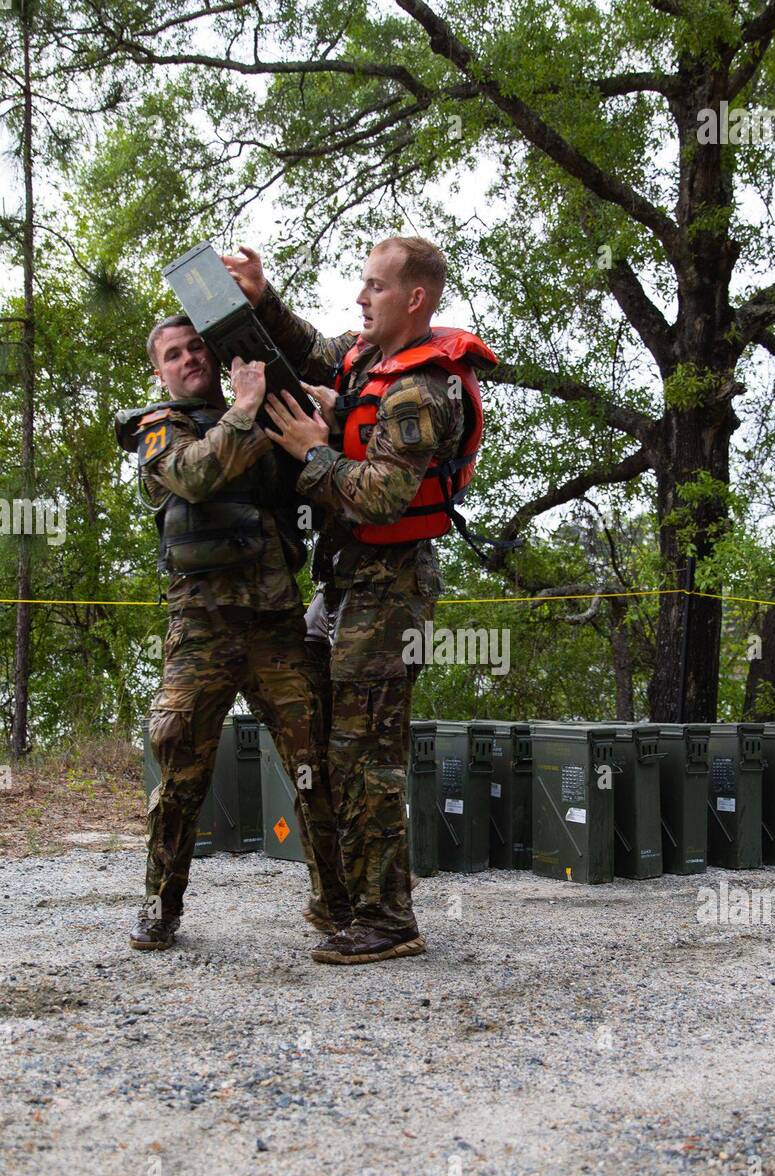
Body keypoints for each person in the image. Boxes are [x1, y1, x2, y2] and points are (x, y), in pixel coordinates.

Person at [222, 236, 497, 965]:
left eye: (375, 287)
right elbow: (313, 347)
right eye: (362, 283)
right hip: (342, 584)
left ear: (417, 298)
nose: (360, 298)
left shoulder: (421, 391)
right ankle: (343, 898)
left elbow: (380, 498)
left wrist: (315, 451)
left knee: (366, 755)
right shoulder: (367, 357)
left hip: (390, 590)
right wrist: (261, 297)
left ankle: (388, 921)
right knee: (316, 740)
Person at [115, 318, 350, 949]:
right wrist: (244, 408)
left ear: (215, 354)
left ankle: (338, 910)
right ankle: (160, 908)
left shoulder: (268, 415)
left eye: (196, 346)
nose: (188, 358)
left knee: (312, 763)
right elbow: (192, 476)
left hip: (276, 625)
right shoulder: (161, 428)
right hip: (201, 630)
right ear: (160, 370)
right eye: (173, 354)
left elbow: (317, 485)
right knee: (180, 768)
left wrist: (316, 421)